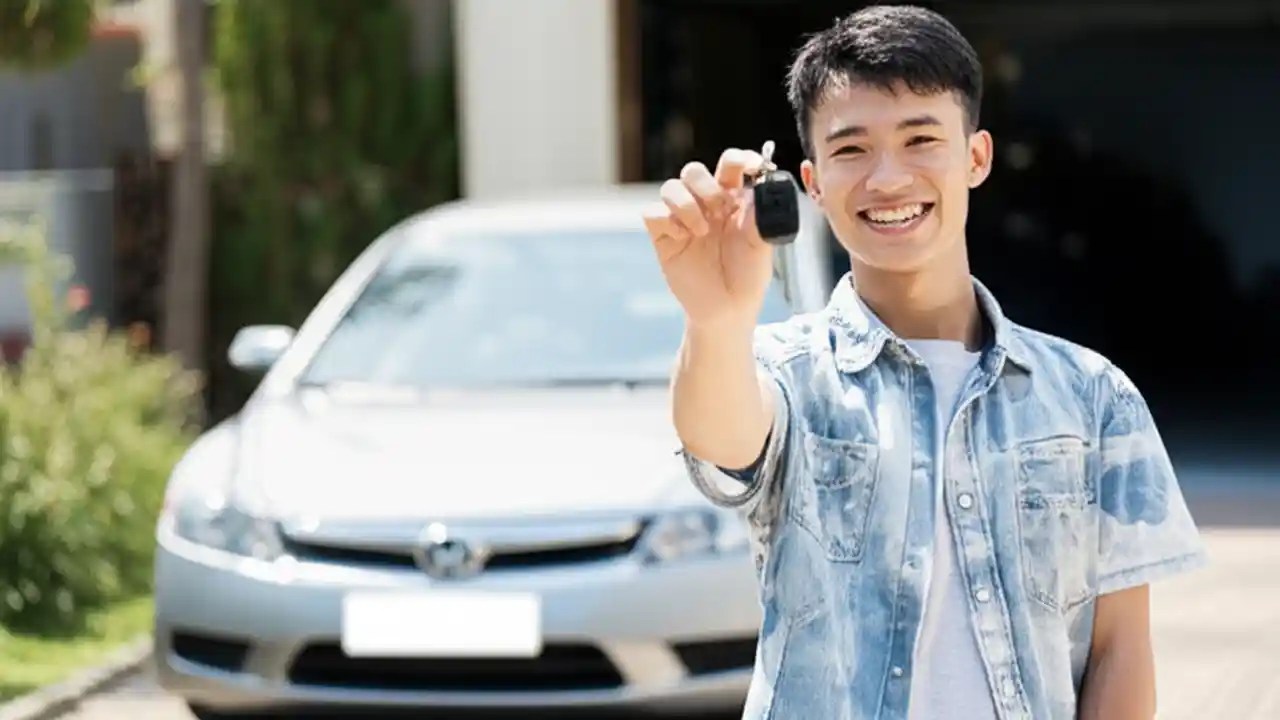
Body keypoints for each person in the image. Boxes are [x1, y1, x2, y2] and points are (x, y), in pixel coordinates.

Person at [642, 5, 1208, 719]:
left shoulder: (1093, 396)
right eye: (851, 150)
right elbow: (721, 440)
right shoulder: (786, 371)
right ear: (811, 183)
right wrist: (716, 317)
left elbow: (1118, 650)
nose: (887, 178)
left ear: (975, 157)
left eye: (920, 139)